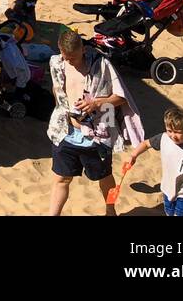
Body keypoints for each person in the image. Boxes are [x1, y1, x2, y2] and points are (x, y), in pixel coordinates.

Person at [47, 29, 143, 216]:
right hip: (65, 132)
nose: (69, 62)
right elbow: (56, 89)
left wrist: (96, 103)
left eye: (73, 58)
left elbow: (122, 98)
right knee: (61, 178)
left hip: (96, 136)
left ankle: (110, 210)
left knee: (105, 178)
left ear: (83, 49)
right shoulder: (56, 63)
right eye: (66, 57)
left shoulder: (102, 65)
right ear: (60, 51)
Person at [123, 107, 183, 216]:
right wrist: (133, 155)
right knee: (169, 212)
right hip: (167, 188)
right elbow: (146, 144)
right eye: (169, 131)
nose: (173, 136)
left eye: (178, 132)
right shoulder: (164, 138)